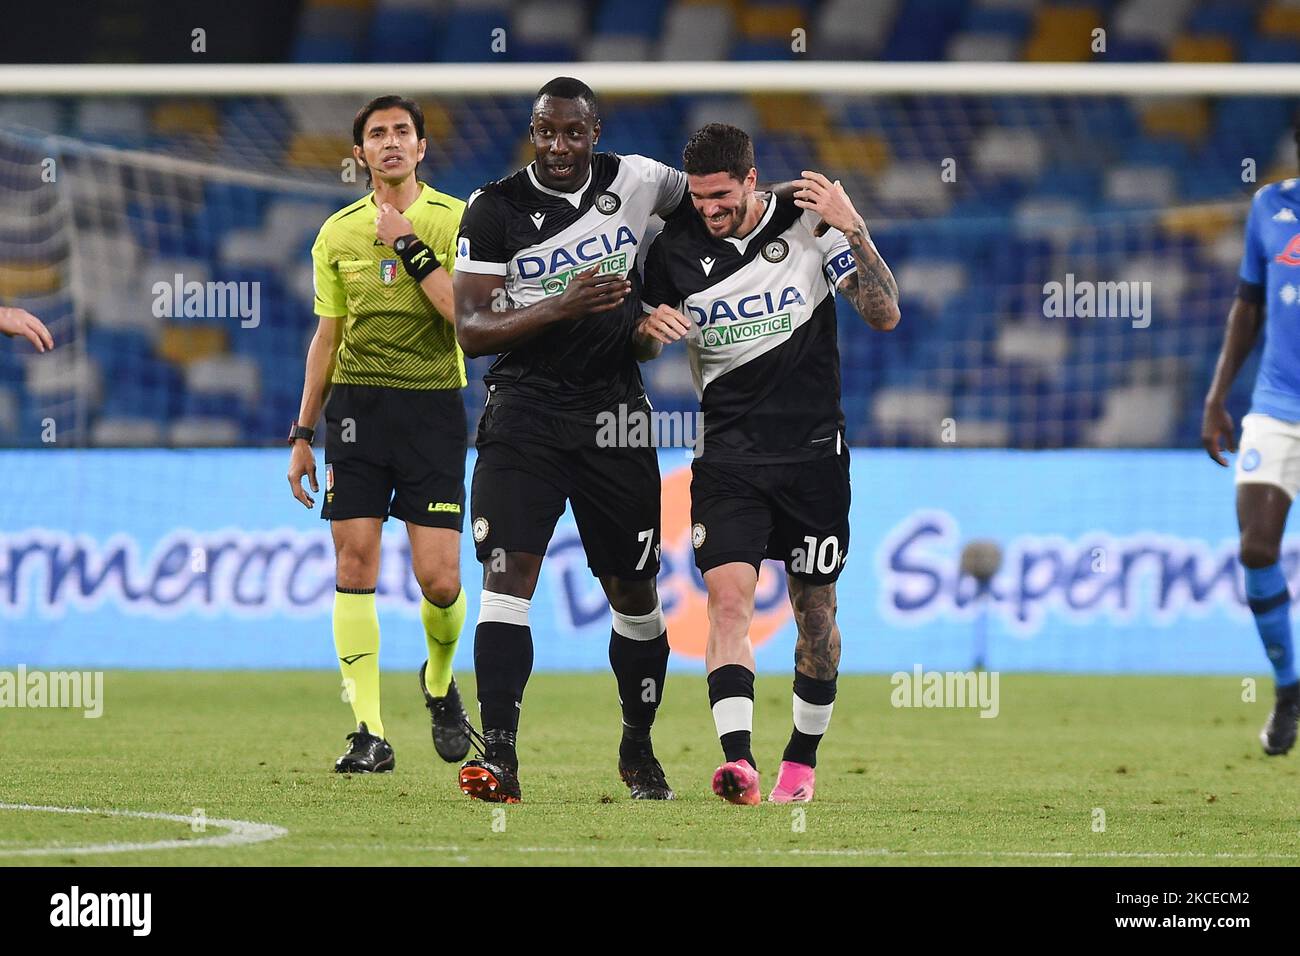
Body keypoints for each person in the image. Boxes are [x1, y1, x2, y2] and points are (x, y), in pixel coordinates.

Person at [639, 123, 899, 803]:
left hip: (813, 458)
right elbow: (635, 338)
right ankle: (739, 763)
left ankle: (800, 763)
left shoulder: (810, 224)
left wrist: (854, 229)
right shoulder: (675, 249)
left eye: (721, 195)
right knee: (727, 603)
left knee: (816, 616)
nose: (709, 209)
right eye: (698, 197)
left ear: (751, 179)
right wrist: (645, 331)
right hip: (728, 457)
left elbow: (884, 312)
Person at [451, 77, 687, 803]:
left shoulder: (641, 180)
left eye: (573, 133)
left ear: (595, 132)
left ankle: (638, 747)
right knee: (506, 573)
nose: (558, 147)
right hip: (524, 413)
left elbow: (713, 209)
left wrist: (660, 310)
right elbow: (471, 328)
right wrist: (563, 301)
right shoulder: (493, 210)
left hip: (615, 415)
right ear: (533, 131)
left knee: (634, 589)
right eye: (546, 133)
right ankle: (501, 757)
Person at [289, 94, 470, 773]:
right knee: (353, 563)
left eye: (402, 132)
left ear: (422, 147)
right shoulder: (336, 234)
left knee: (442, 582)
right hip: (359, 413)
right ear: (359, 153)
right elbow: (327, 337)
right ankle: (368, 731)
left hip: (433, 410)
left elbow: (464, 319)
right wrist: (303, 431)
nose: (390, 142)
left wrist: (406, 243)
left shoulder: (455, 221)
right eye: (376, 134)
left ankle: (440, 681)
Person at [1203, 132, 1300, 755]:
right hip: (1277, 406)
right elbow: (1248, 307)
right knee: (1257, 546)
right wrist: (1218, 396)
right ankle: (1290, 691)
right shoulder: (1270, 207)